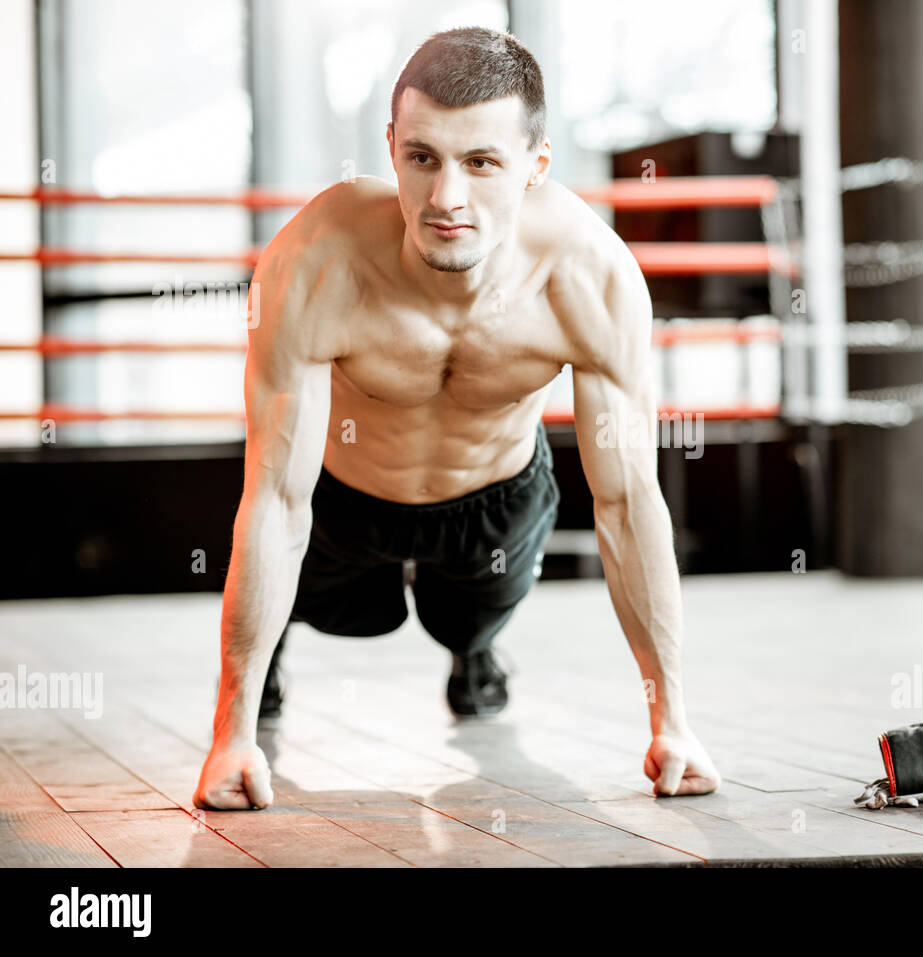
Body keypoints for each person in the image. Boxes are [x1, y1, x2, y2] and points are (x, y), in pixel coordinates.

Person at [193, 26, 720, 811]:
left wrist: (673, 719)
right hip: (345, 499)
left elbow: (628, 501)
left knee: (465, 621)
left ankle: (475, 651)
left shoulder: (589, 277)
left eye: (481, 163)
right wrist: (229, 734)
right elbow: (275, 498)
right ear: (392, 147)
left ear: (535, 168)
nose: (445, 199)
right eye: (423, 158)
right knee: (338, 608)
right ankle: (264, 665)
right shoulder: (317, 262)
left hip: (493, 499)